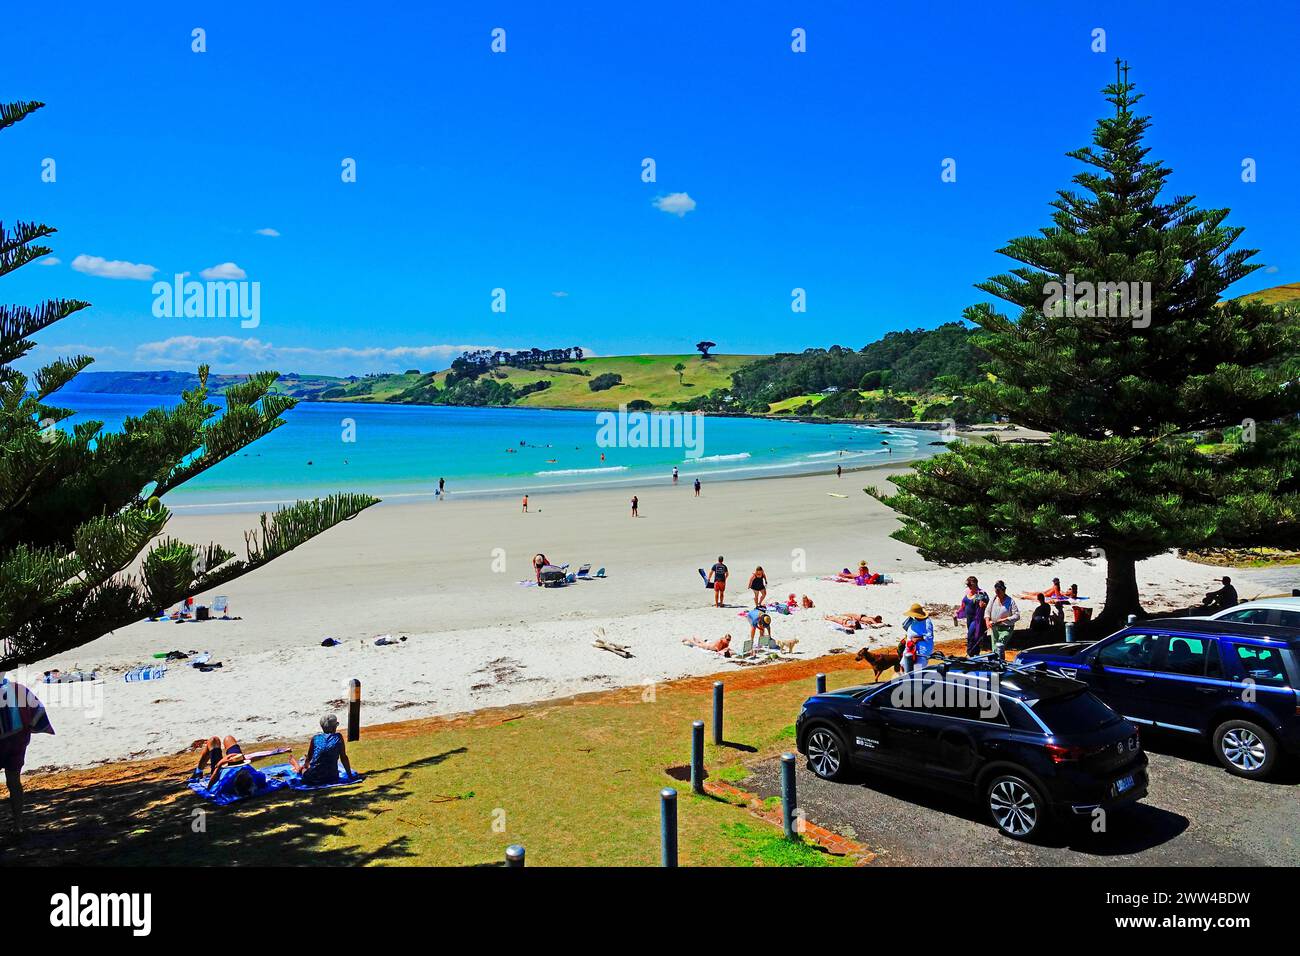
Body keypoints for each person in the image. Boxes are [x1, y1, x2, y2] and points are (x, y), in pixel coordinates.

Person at [0, 677, 53, 835]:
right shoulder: (18, 689)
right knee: (14, 783)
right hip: (17, 742)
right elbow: (37, 710)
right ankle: (18, 825)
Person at [290, 714, 353, 787]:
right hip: (332, 777)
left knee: (303, 768)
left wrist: (305, 767)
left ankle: (296, 765)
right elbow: (343, 757)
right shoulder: (338, 737)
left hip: (314, 778)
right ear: (334, 727)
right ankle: (299, 764)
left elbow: (309, 758)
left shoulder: (316, 738)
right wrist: (350, 776)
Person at [955, 575, 990, 657]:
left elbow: (986, 604)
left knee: (971, 635)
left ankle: (969, 653)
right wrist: (958, 611)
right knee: (974, 636)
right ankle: (975, 653)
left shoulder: (980, 593)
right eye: (968, 585)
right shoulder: (967, 592)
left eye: (971, 585)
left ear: (975, 584)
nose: (969, 587)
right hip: (969, 619)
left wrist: (983, 605)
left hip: (977, 619)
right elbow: (964, 604)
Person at [986, 580, 1020, 660]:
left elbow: (1017, 616)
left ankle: (1000, 661)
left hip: (1006, 627)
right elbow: (987, 611)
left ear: (1004, 591)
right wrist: (987, 621)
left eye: (999, 592)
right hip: (995, 627)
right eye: (996, 592)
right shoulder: (993, 599)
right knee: (994, 647)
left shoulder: (1010, 601)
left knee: (1000, 644)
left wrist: (1004, 619)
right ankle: (995, 662)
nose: (997, 594)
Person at [901, 603, 935, 671]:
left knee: (917, 669)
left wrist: (918, 639)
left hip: (921, 650)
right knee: (903, 665)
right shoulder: (915, 620)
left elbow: (930, 636)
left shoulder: (927, 622)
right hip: (910, 647)